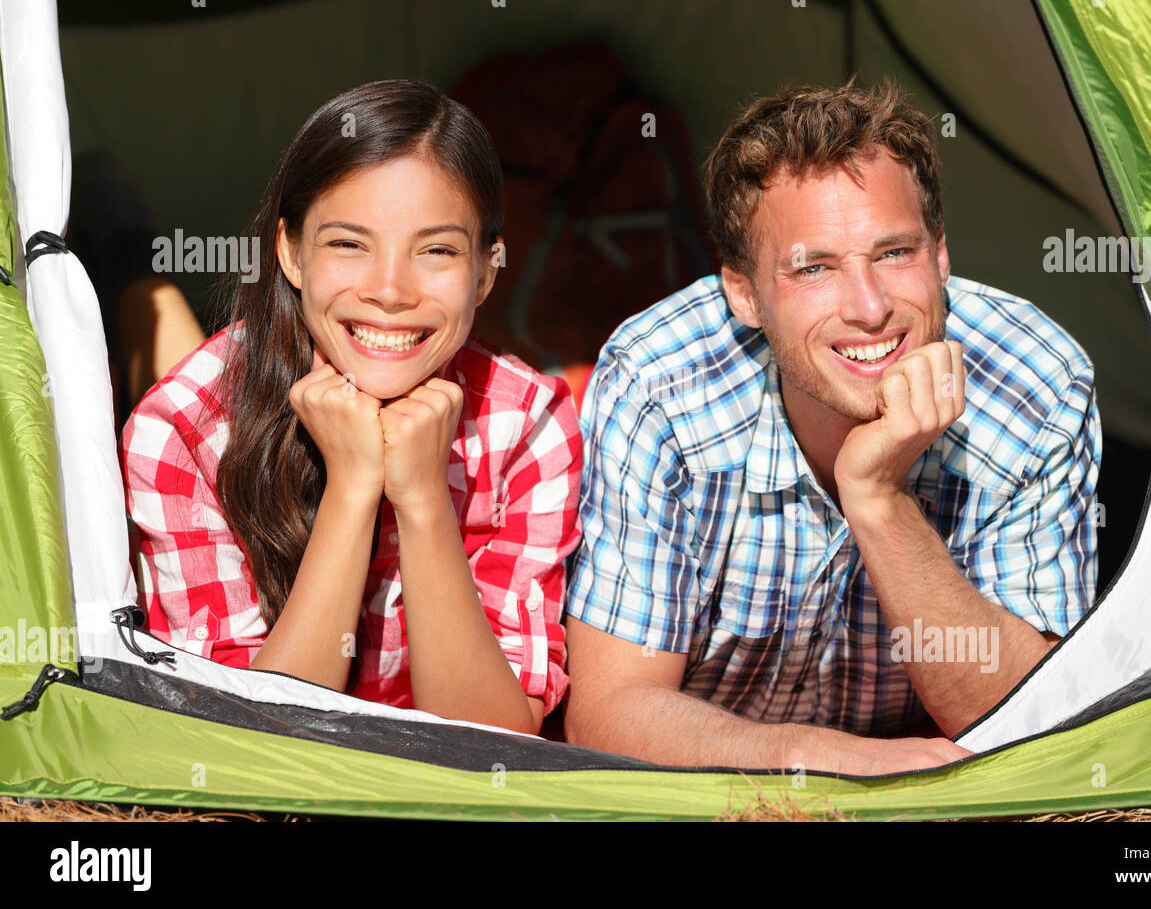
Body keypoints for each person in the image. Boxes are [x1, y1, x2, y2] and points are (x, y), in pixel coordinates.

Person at [564, 80, 1101, 773]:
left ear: (940, 255)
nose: (871, 307)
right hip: (704, 792)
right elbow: (609, 711)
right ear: (742, 293)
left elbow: (1033, 721)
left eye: (894, 254)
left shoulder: (1036, 387)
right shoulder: (659, 380)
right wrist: (809, 757)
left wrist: (879, 498)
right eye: (813, 267)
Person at [121, 80, 582, 734]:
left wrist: (422, 500)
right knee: (152, 318)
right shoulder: (177, 429)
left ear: (485, 272)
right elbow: (243, 745)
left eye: (438, 250)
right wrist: (354, 488)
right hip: (230, 379)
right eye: (348, 244)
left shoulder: (531, 422)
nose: (390, 291)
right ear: (290, 252)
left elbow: (497, 741)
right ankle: (128, 259)